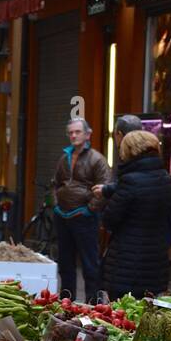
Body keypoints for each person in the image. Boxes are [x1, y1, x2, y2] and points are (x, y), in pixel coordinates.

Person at [100, 131, 171, 299]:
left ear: (129, 151)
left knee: (122, 317)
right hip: (156, 264)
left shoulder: (129, 181)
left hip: (126, 266)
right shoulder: (165, 179)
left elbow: (109, 220)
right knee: (145, 314)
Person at [52, 117, 110, 301]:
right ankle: (66, 302)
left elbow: (105, 187)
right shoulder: (63, 158)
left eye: (77, 132)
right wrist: (55, 205)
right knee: (65, 264)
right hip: (63, 217)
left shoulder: (97, 159)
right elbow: (55, 184)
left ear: (87, 134)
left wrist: (89, 210)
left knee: (90, 264)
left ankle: (94, 304)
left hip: (84, 218)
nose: (73, 135)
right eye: (70, 132)